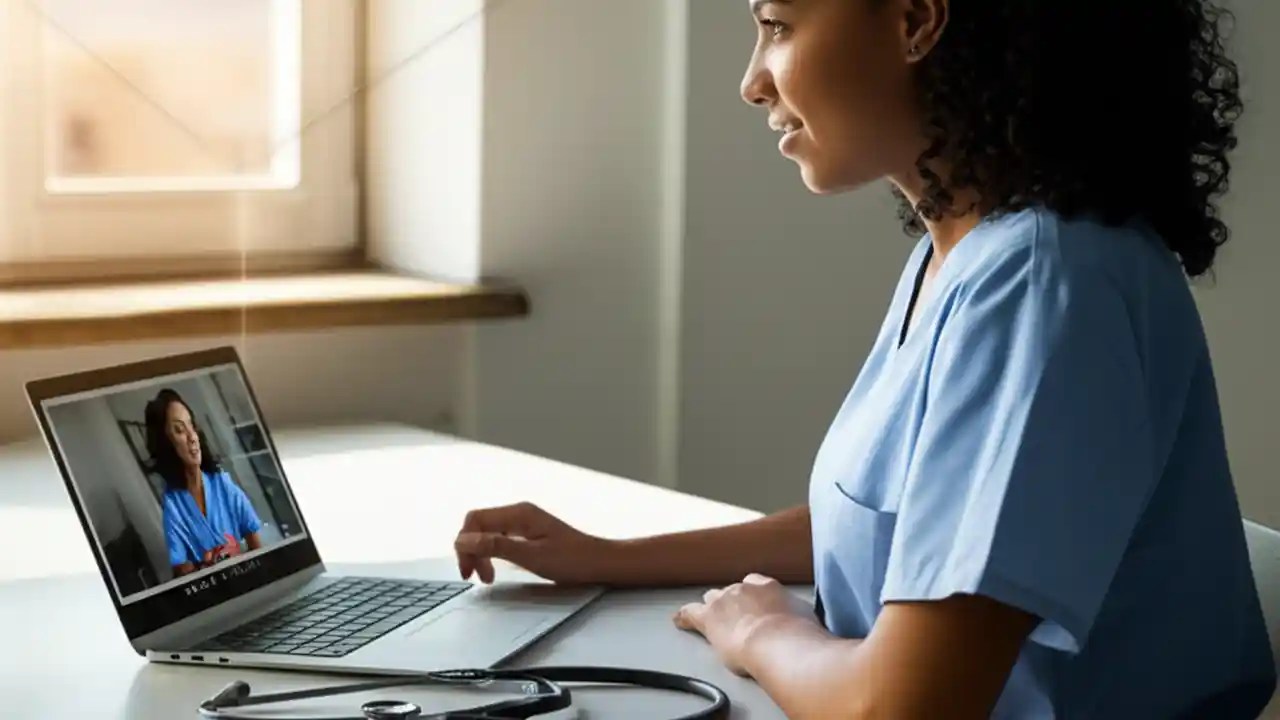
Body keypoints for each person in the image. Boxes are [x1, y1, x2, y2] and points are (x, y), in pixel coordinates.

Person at [454, 0, 1277, 717]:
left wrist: (765, 631)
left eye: (776, 27)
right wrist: (607, 558)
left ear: (918, 19)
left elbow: (906, 707)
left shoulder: (1039, 280)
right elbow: (900, 534)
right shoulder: (965, 250)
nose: (753, 81)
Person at [145, 388, 263, 578]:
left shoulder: (222, 483)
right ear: (166, 442)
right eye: (179, 430)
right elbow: (180, 569)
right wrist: (205, 568)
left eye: (191, 426)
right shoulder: (173, 505)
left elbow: (257, 547)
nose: (192, 437)